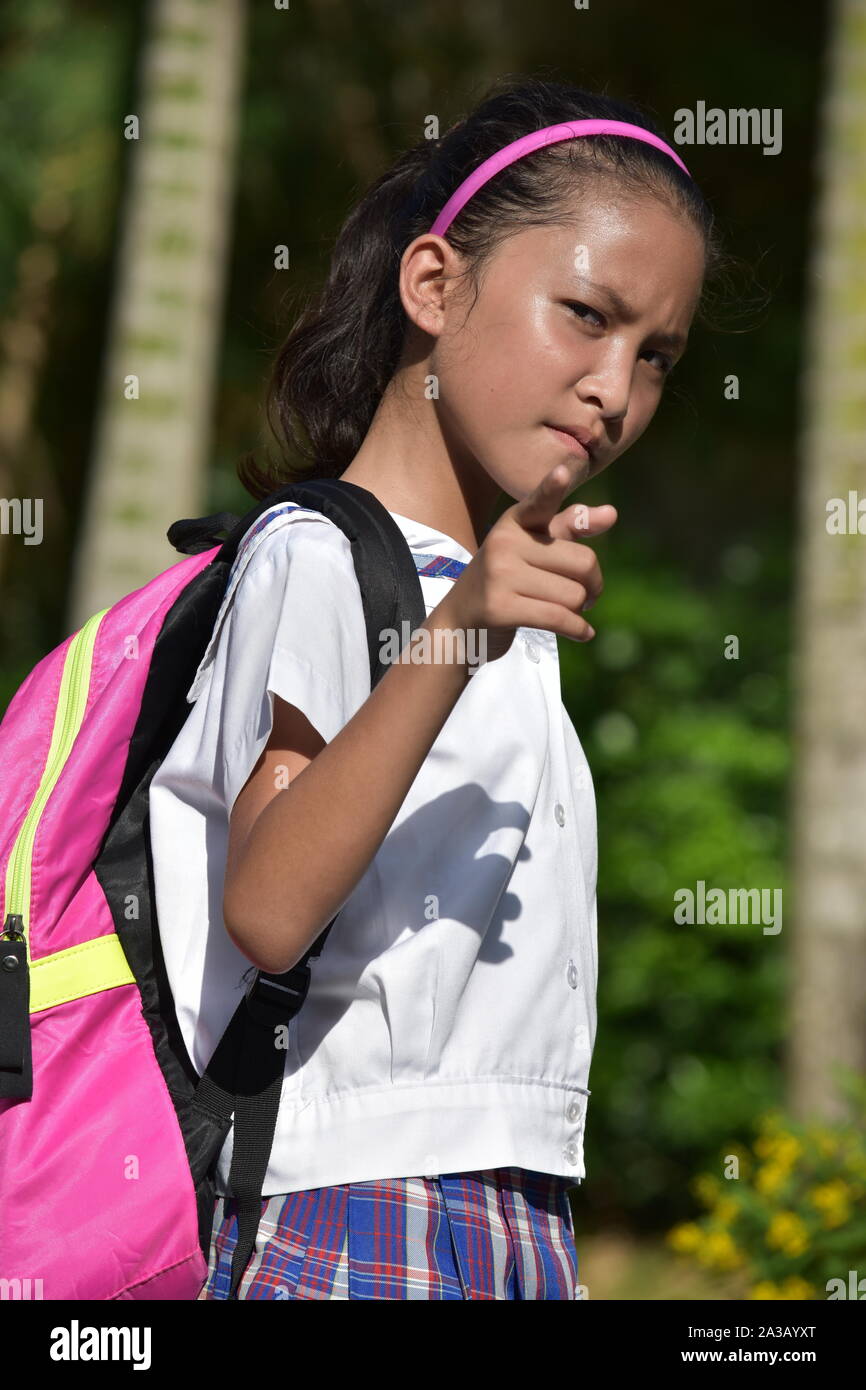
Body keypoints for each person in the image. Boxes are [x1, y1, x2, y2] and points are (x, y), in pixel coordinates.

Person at [149, 75, 722, 1300]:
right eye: (584, 314)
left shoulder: (491, 587)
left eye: (655, 355)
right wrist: (458, 630)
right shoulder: (315, 558)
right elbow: (265, 905)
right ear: (432, 286)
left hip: (520, 1211)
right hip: (356, 1212)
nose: (613, 390)